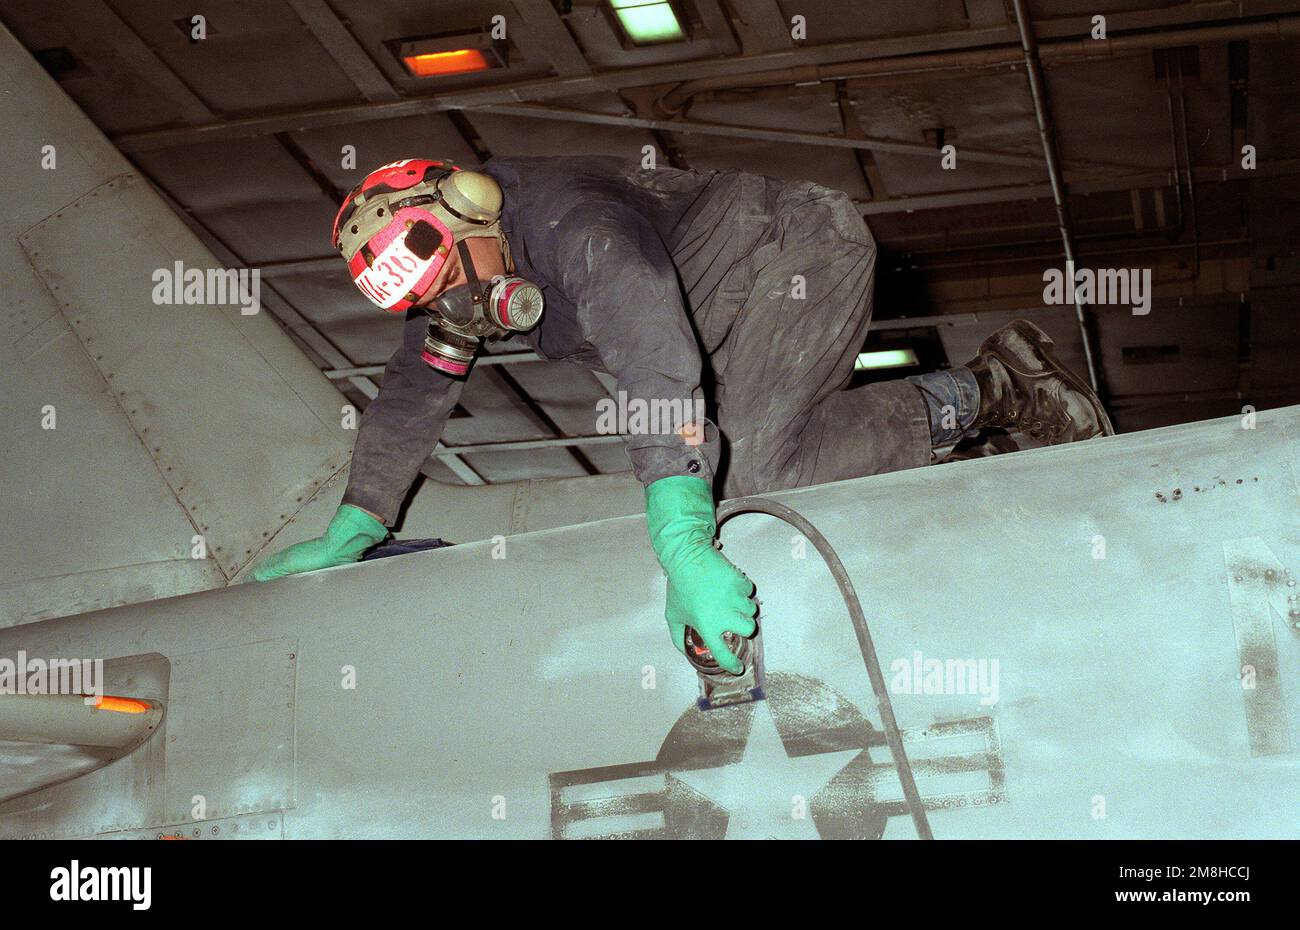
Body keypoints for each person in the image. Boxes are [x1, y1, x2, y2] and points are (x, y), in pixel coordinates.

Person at [250, 156, 1112, 673]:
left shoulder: (575, 226)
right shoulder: (466, 282)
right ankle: (958, 435)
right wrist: (355, 522)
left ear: (473, 206)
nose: (465, 308)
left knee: (753, 469)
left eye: (456, 283)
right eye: (439, 301)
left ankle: (1006, 388)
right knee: (742, 471)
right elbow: (413, 392)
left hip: (796, 252)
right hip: (718, 319)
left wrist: (679, 540)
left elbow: (653, 358)